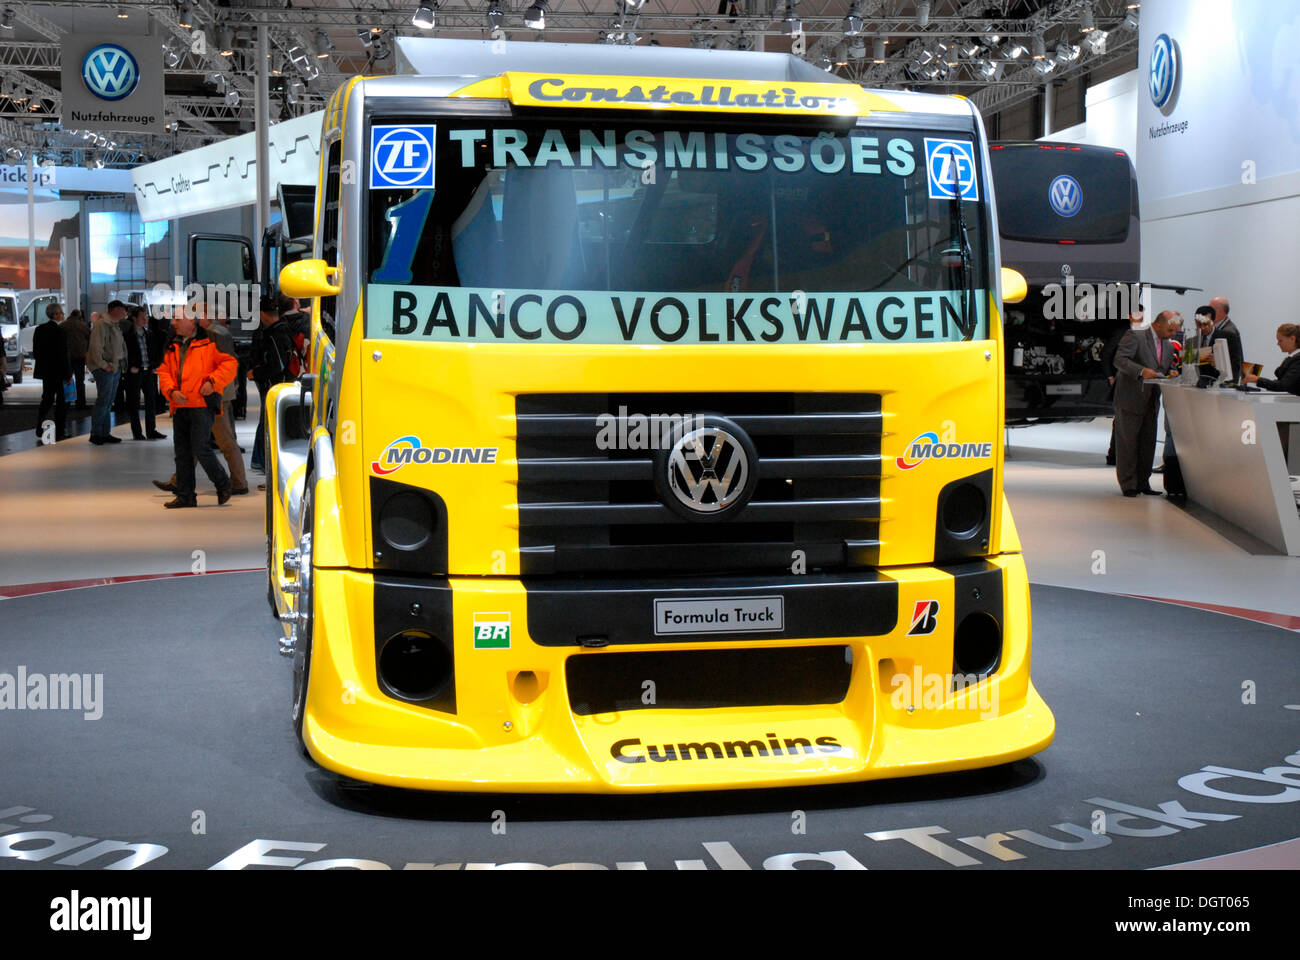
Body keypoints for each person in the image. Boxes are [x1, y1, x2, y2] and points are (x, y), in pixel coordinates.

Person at [156, 310, 237, 508]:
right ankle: (185, 496)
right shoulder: (173, 344)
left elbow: (230, 364)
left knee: (201, 448)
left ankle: (223, 483)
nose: (173, 323)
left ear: (192, 322)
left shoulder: (211, 341)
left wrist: (213, 381)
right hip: (180, 405)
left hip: (201, 405)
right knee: (182, 452)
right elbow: (164, 371)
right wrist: (171, 391)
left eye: (177, 319)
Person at [1113, 310, 1179, 497]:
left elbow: (1167, 367)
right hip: (1130, 397)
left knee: (1147, 442)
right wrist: (1141, 371)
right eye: (1170, 330)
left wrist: (1172, 372)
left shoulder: (1169, 346)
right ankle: (1128, 484)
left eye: (1175, 331)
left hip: (1152, 399)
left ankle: (1143, 482)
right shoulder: (1135, 336)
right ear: (1158, 324)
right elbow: (1119, 360)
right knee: (1128, 442)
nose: (1172, 334)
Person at [197, 309, 249, 494]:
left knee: (224, 439)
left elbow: (225, 364)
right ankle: (179, 479)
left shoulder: (214, 333)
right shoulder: (217, 332)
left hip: (216, 393)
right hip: (218, 392)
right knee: (197, 438)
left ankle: (239, 482)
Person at [249, 295, 297, 473]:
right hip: (282, 384)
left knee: (267, 422)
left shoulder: (273, 334)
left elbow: (277, 365)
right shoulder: (285, 330)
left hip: (274, 385)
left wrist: (256, 372)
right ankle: (259, 460)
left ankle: (263, 461)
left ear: (262, 314)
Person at [1101, 308, 1144, 466]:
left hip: (1134, 381)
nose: (1141, 317)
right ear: (1130, 316)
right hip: (1120, 379)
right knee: (1120, 418)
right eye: (1137, 314)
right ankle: (1114, 455)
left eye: (1142, 314)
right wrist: (1110, 376)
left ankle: (1118, 455)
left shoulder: (1142, 333)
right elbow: (1106, 354)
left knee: (1123, 418)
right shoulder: (1122, 332)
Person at [86, 302, 128, 444]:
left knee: (108, 401)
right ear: (115, 310)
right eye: (123, 310)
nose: (125, 313)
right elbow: (95, 347)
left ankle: (104, 432)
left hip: (114, 367)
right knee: (104, 401)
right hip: (107, 368)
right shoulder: (102, 324)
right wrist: (104, 365)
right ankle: (96, 433)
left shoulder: (114, 325)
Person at [122, 305, 166, 440]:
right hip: (135, 373)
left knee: (151, 402)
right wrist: (129, 367)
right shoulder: (127, 336)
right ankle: (137, 432)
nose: (145, 319)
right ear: (134, 319)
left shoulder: (149, 334)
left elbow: (156, 351)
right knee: (134, 403)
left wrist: (155, 365)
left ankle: (151, 430)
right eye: (142, 317)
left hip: (149, 372)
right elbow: (123, 354)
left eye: (146, 316)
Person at [32, 302, 71, 444]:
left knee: (47, 399)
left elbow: (36, 352)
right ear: (55, 314)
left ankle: (40, 424)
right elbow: (63, 355)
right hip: (59, 372)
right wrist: (68, 374)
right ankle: (60, 430)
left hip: (46, 372)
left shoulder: (39, 330)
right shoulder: (60, 332)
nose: (62, 315)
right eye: (61, 312)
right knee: (61, 402)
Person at [1242, 323, 1300, 395]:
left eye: (1280, 340)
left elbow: (1283, 386)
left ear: (1292, 339)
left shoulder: (1298, 360)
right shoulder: (1292, 358)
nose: (1278, 344)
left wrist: (1257, 379)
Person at [1205, 296, 1244, 383]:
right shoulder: (1220, 329)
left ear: (1219, 311)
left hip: (1225, 383)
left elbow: (1235, 362)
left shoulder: (1229, 332)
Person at [60, 308, 90, 409]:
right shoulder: (83, 325)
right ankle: (81, 403)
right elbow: (89, 338)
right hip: (80, 356)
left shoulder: (63, 325)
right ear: (79, 316)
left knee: (67, 379)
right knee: (80, 381)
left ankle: (66, 402)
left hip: (66, 356)